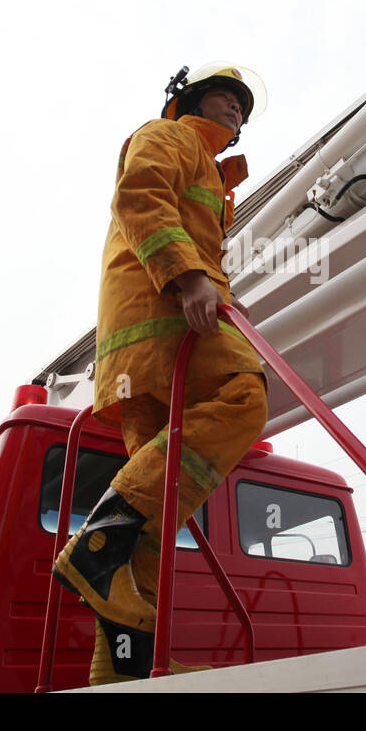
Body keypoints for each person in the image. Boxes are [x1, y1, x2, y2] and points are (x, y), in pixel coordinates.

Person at [53, 63, 269, 684]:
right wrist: (191, 278)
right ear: (191, 101)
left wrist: (216, 284)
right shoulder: (168, 137)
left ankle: (122, 669)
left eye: (241, 109)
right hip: (163, 319)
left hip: (146, 334)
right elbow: (141, 196)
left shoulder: (209, 169)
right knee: (243, 395)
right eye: (226, 99)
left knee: (152, 512)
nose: (236, 112)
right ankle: (93, 544)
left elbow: (181, 228)